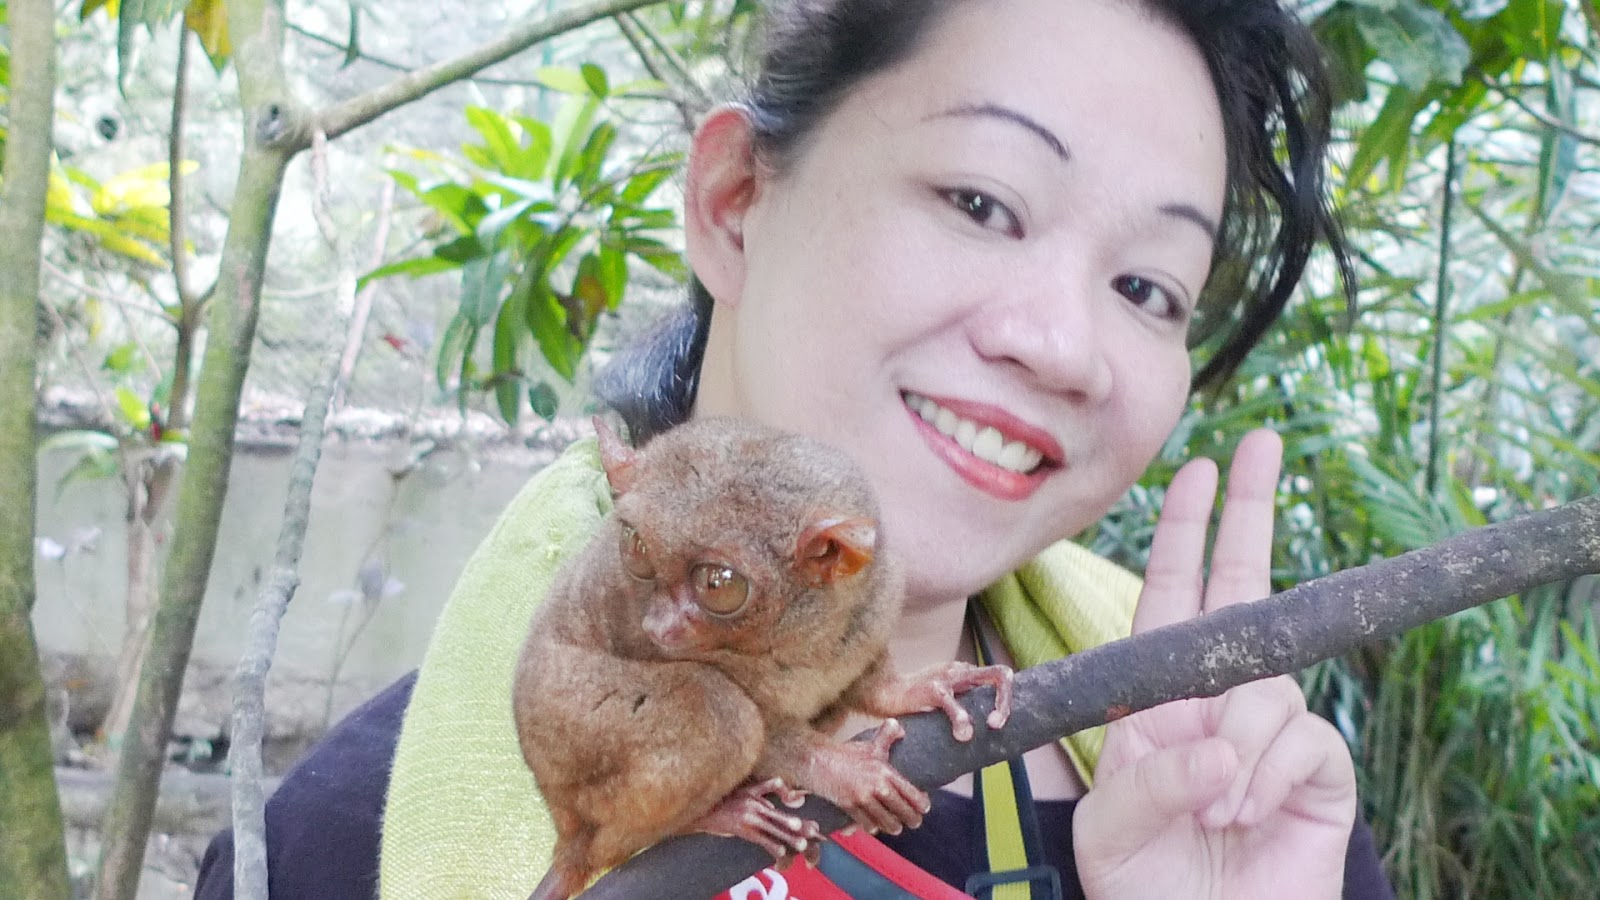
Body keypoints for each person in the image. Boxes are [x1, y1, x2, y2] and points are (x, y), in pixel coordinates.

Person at [195, 0, 1395, 897]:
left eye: (1147, 286)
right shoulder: (352, 842)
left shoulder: (1233, 791)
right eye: (982, 201)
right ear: (733, 201)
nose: (1065, 346)